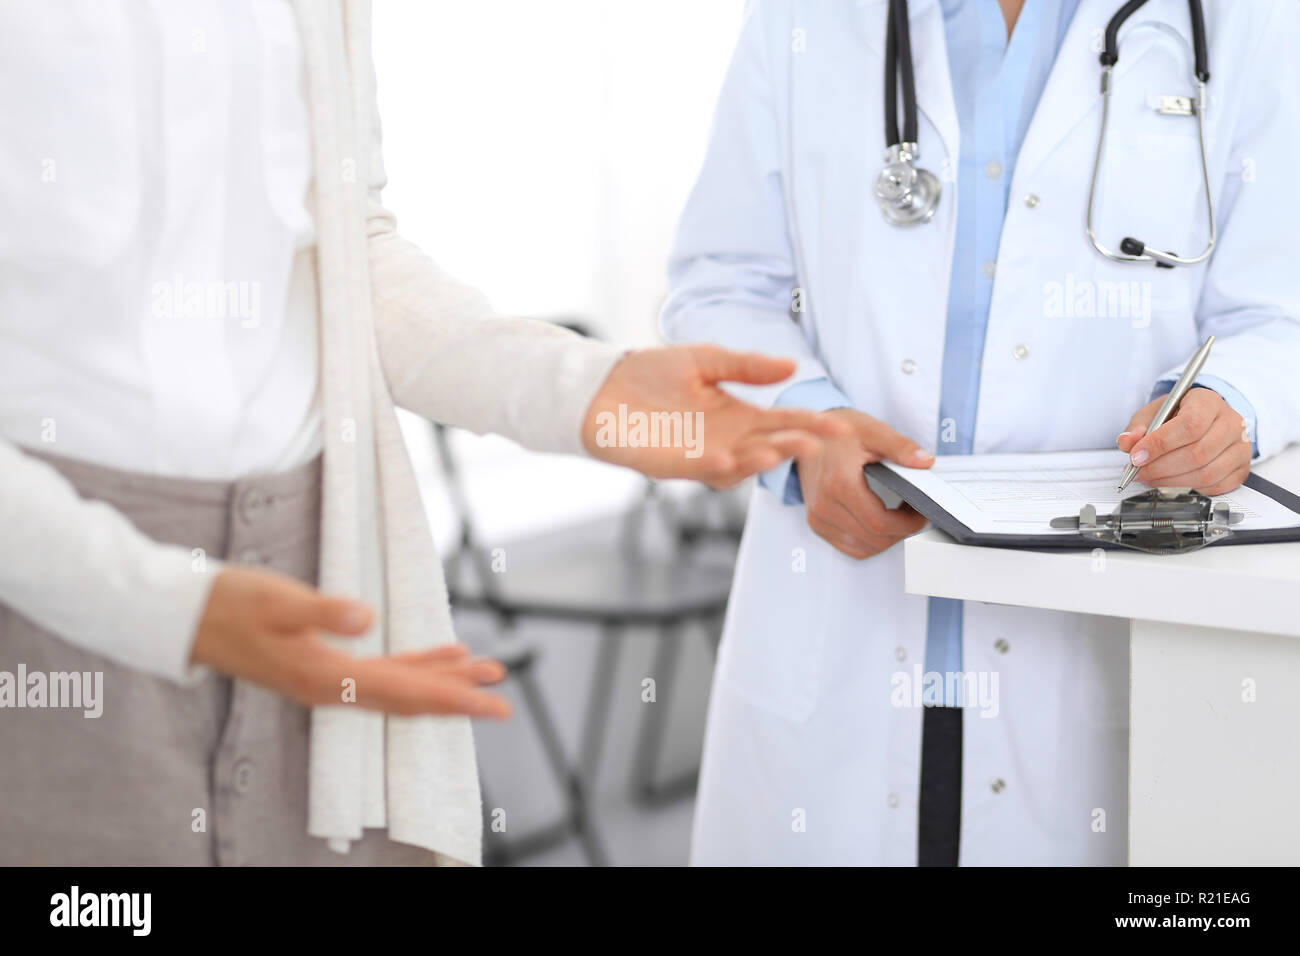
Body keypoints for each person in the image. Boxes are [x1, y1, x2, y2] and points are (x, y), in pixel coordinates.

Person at [0, 0, 843, 866]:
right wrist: (172, 609)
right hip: (47, 595)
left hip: (322, 567)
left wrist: (587, 391)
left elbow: (349, 248)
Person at [662, 0, 1300, 864]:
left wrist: (1231, 401)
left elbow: (1280, 313)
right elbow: (719, 283)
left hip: (1091, 643)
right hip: (847, 629)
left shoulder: (1246, 20)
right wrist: (807, 430)